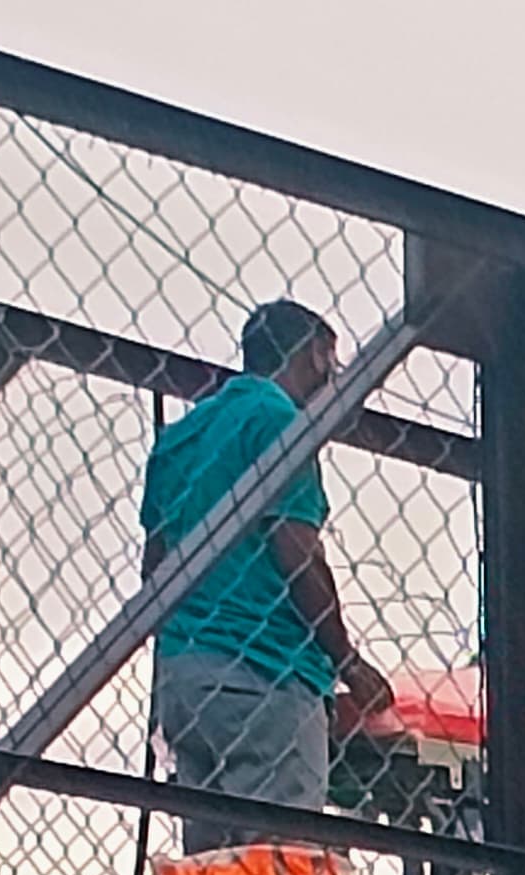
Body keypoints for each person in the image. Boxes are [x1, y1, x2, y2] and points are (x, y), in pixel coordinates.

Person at [141, 299, 388, 843]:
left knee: (208, 870)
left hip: (187, 673)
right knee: (275, 861)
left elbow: (154, 567)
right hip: (264, 673)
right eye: (332, 364)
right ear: (315, 355)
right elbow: (296, 551)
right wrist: (347, 661)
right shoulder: (280, 422)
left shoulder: (182, 436)